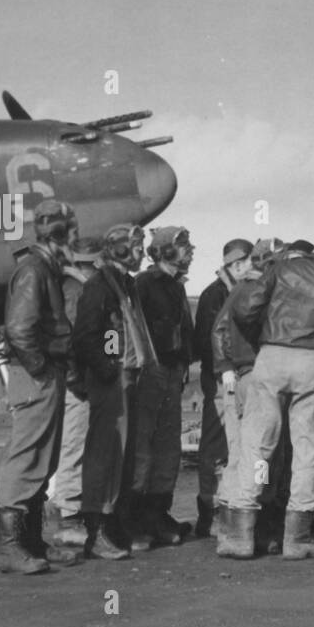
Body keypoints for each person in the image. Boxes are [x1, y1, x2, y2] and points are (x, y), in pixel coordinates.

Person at [220, 221, 314, 560]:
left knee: (257, 445)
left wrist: (266, 337)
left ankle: (241, 535)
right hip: (312, 363)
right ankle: (297, 537)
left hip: (270, 359)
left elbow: (244, 310)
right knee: (308, 449)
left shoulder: (282, 267)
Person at [0, 200, 82, 574]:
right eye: (73, 231)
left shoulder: (43, 267)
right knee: (26, 456)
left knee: (42, 459)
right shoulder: (34, 270)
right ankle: (9, 548)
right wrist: (41, 367)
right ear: (61, 234)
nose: (77, 238)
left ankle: (29, 543)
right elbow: (19, 329)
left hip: (44, 371)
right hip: (36, 374)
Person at [73, 223, 159, 559]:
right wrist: (109, 366)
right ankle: (97, 530)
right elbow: (87, 334)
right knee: (106, 454)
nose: (141, 252)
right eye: (136, 247)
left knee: (122, 455)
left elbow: (112, 330)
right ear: (120, 249)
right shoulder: (101, 285)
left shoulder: (123, 283)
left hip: (128, 376)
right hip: (113, 379)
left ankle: (113, 523)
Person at [212, 237, 288, 552]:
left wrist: (227, 367)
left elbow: (219, 330)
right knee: (261, 455)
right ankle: (247, 533)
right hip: (259, 377)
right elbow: (219, 330)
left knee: (247, 454)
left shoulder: (242, 288)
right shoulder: (262, 291)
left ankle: (237, 530)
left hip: (245, 377)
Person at [133, 226, 197, 546]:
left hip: (173, 371)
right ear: (164, 251)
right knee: (143, 445)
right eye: (183, 246)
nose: (191, 250)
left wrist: (184, 363)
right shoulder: (144, 284)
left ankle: (157, 514)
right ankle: (133, 521)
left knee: (168, 447)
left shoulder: (177, 287)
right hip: (151, 372)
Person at [192, 238, 255, 537]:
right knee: (217, 445)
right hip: (220, 379)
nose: (248, 267)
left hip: (241, 376)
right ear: (233, 265)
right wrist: (223, 370)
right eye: (243, 262)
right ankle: (211, 510)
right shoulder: (213, 295)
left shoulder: (247, 290)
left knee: (241, 445)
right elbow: (207, 340)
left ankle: (232, 507)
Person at [49, 236, 104, 549]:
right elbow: (71, 340)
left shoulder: (76, 289)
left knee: (79, 447)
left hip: (82, 379)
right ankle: (69, 516)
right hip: (78, 382)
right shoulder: (76, 291)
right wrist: (76, 380)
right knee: (75, 447)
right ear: (94, 263)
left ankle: (73, 512)